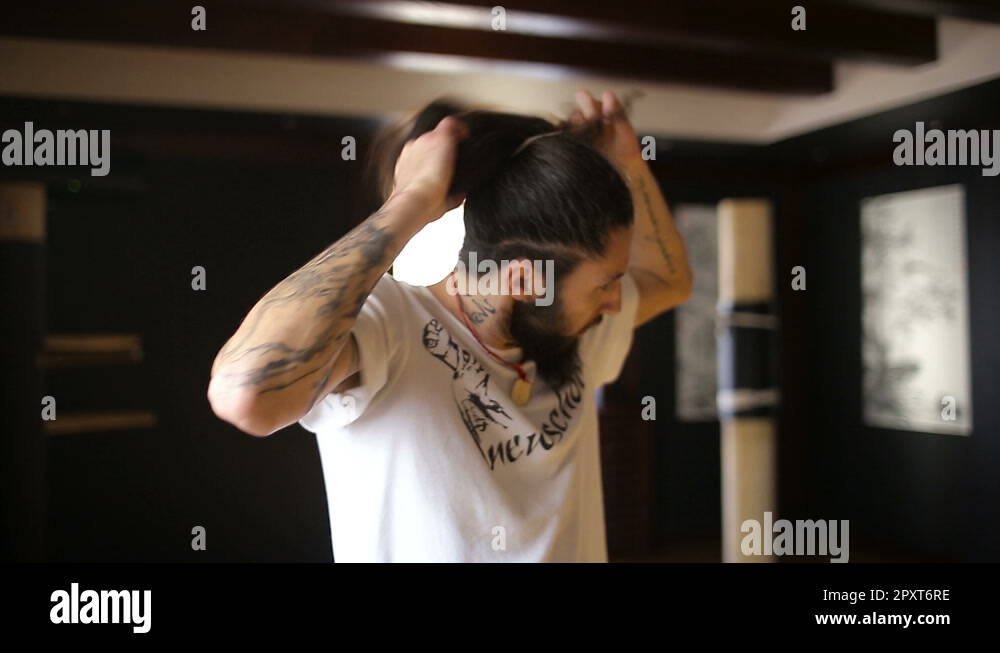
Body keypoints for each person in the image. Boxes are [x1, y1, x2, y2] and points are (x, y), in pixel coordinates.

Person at [207, 90, 693, 562]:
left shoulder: (571, 330)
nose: (616, 301)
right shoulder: (390, 322)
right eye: (606, 283)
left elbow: (669, 279)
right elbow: (246, 394)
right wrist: (411, 199)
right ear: (525, 280)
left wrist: (629, 164)